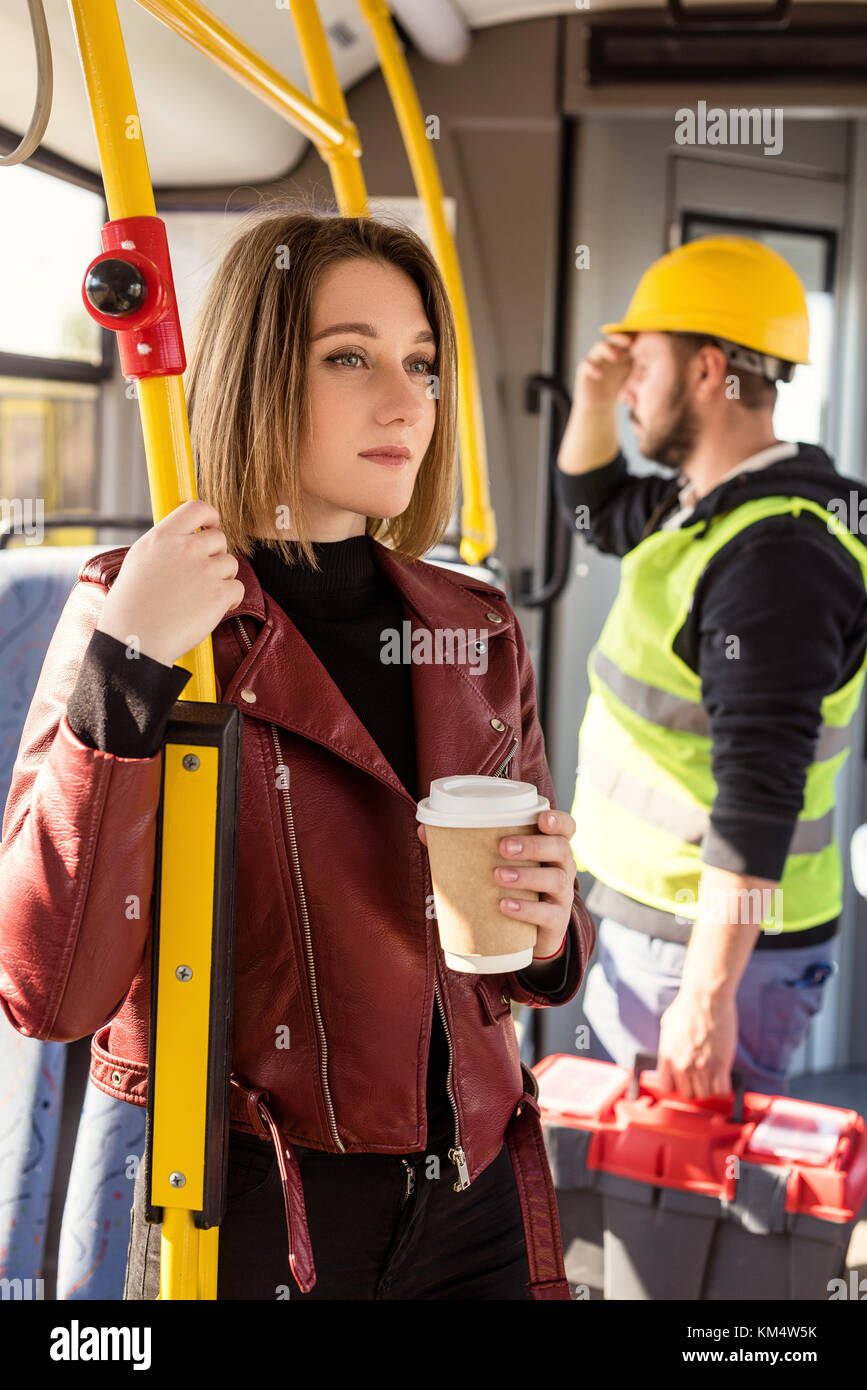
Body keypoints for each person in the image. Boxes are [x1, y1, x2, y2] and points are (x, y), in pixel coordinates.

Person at [0, 209, 595, 1300]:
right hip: (263, 1206)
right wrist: (129, 659)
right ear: (261, 373)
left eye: (421, 362)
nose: (405, 398)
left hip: (477, 1188)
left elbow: (523, 947)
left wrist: (554, 934)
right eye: (350, 357)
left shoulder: (477, 625)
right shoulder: (134, 613)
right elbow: (51, 988)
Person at [555, 235, 867, 1102]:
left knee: (683, 1212)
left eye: (641, 367)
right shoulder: (699, 503)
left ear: (707, 371)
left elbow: (758, 791)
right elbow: (592, 511)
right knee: (658, 1196)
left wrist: (706, 994)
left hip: (708, 948)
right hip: (670, 929)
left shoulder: (777, 555)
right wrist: (589, 394)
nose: (627, 393)